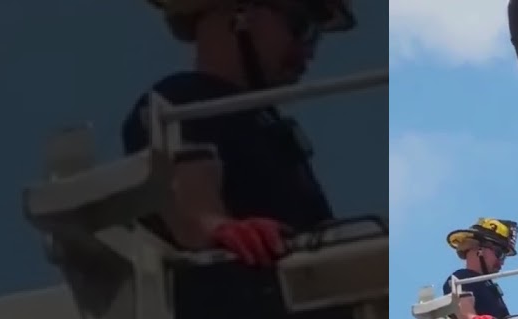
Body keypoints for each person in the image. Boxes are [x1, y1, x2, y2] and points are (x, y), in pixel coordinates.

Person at [122, 0, 356, 266]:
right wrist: (220, 229)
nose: (308, 51)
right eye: (301, 26)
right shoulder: (180, 103)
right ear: (240, 13)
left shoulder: (270, 126)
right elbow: (188, 199)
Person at [444, 219, 518, 319]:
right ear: (479, 249)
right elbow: (463, 308)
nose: (501, 262)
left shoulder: (489, 286)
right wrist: (473, 318)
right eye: (499, 254)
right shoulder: (461, 279)